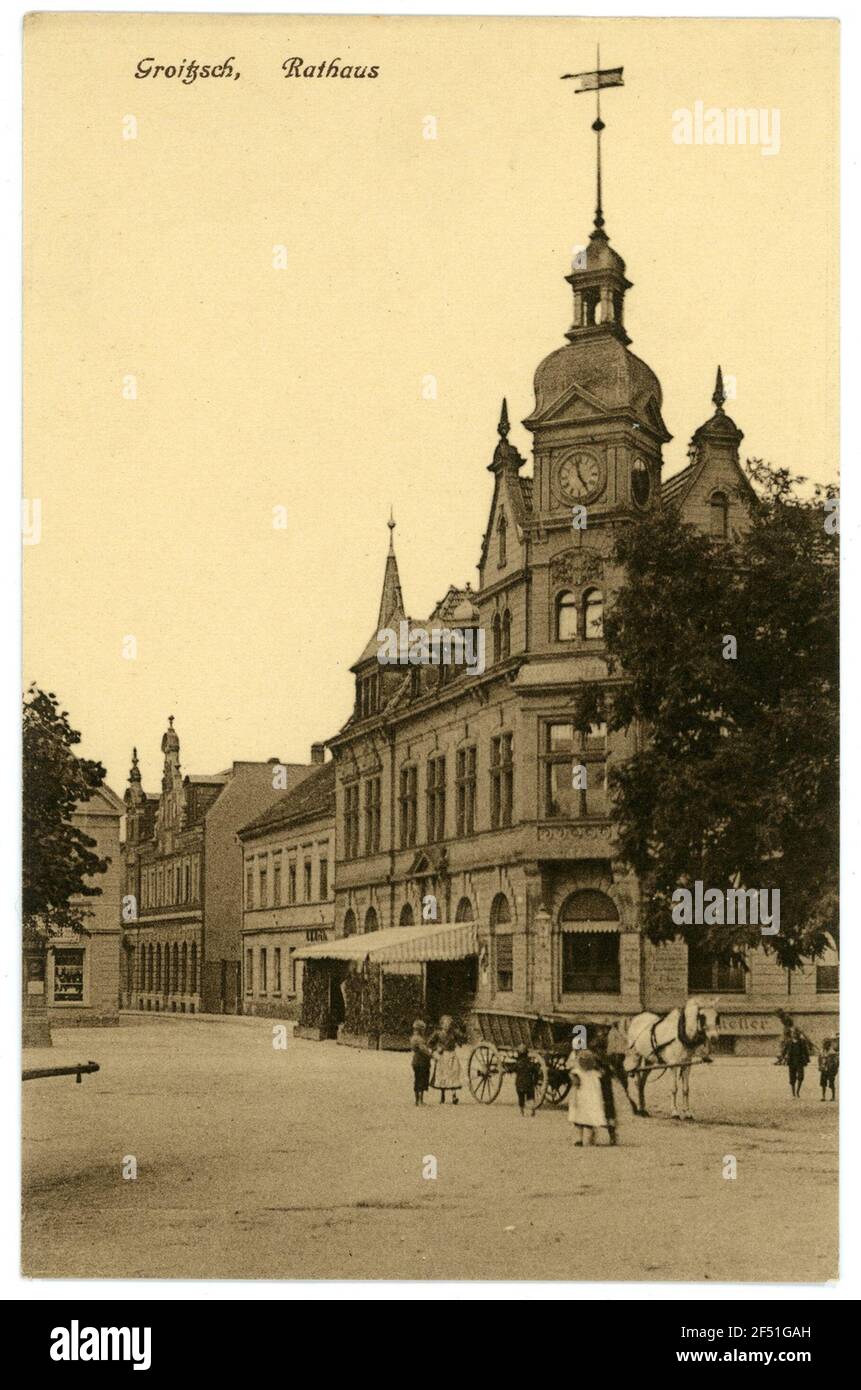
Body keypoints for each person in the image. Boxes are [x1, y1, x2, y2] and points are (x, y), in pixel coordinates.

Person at [566, 1044, 611, 1145]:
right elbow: (603, 1074)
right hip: (591, 1101)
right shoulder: (595, 1074)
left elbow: (573, 1079)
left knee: (578, 1122)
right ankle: (590, 1140)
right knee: (590, 1123)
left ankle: (578, 1139)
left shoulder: (577, 1072)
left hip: (581, 1100)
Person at [428, 1014, 465, 1104]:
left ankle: (454, 1096)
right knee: (443, 1075)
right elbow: (429, 1043)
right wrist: (437, 1048)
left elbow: (462, 1038)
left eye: (449, 1024)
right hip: (443, 1056)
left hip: (452, 1055)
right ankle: (442, 1095)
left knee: (453, 1074)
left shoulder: (454, 1033)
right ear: (441, 1024)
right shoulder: (438, 1033)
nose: (447, 1026)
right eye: (445, 1024)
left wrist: (459, 1041)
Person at [780, 1027, 811, 1098]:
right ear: (792, 1034)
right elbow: (784, 1051)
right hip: (791, 1061)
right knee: (792, 1077)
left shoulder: (802, 1042)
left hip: (800, 1061)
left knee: (800, 1077)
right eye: (793, 1033)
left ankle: (798, 1091)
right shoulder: (789, 1042)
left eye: (796, 1033)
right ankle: (793, 1093)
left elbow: (806, 1051)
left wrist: (807, 1060)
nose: (795, 1035)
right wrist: (782, 1058)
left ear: (798, 1034)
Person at [410, 1019, 433, 1105]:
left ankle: (417, 1100)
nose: (424, 1031)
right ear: (420, 1030)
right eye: (423, 1029)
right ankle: (420, 1100)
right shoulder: (418, 1039)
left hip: (416, 1061)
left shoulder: (413, 1037)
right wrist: (431, 1055)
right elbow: (423, 1049)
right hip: (421, 1062)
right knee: (422, 1080)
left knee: (417, 1080)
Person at [513, 1044, 538, 1117]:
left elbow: (511, 1069)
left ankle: (522, 1112)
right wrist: (535, 1081)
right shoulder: (531, 1064)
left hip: (520, 1084)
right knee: (530, 1097)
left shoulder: (517, 1064)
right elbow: (536, 1072)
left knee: (521, 1098)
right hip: (529, 1084)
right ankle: (532, 1111)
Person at [818, 1036, 839, 1102]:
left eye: (826, 1043)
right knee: (823, 1083)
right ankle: (823, 1096)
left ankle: (833, 1096)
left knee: (831, 1083)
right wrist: (820, 1066)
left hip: (831, 1070)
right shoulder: (822, 1051)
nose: (824, 1045)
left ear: (829, 1044)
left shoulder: (832, 1052)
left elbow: (836, 1062)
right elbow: (819, 1059)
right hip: (824, 1069)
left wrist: (834, 1070)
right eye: (824, 1043)